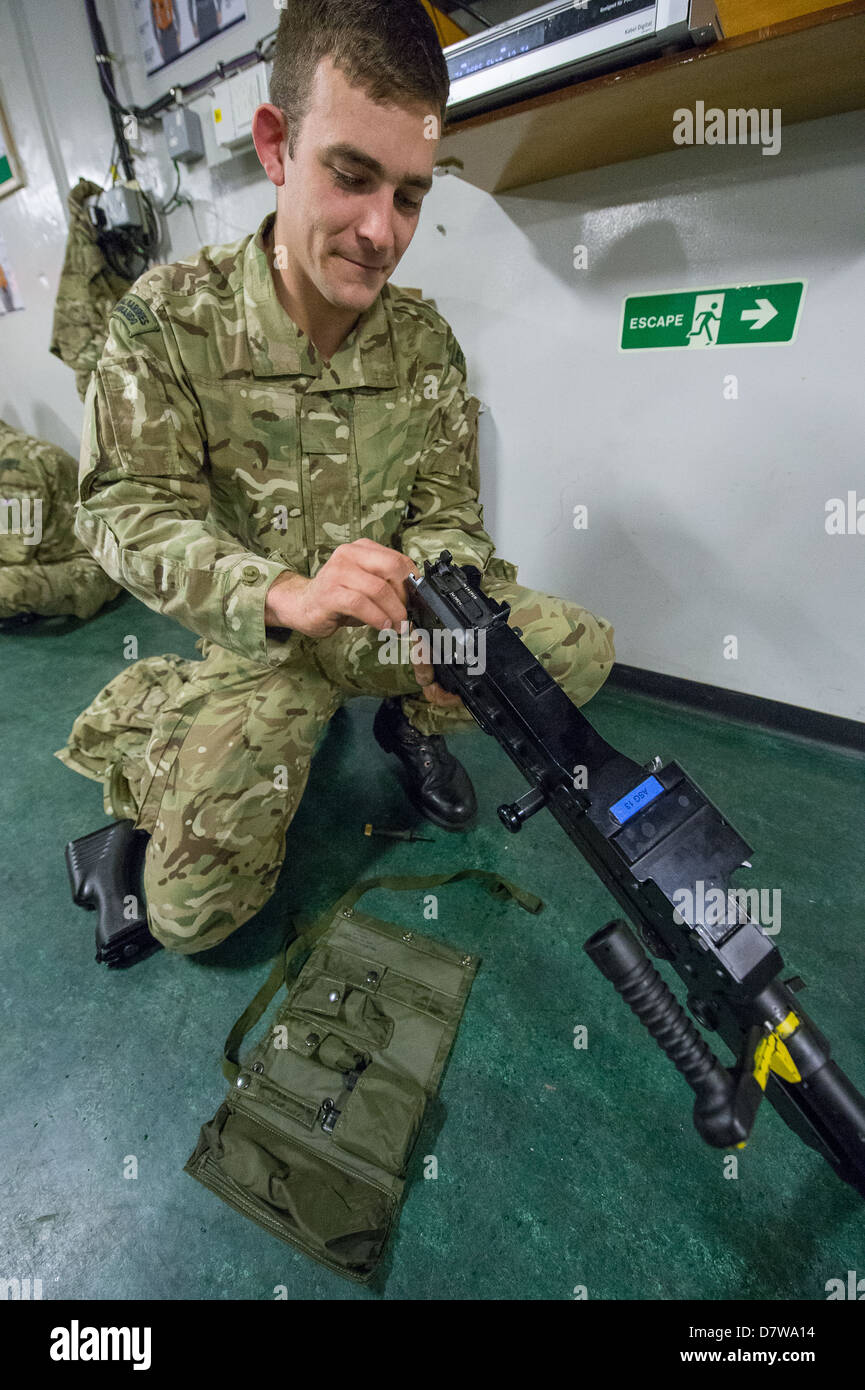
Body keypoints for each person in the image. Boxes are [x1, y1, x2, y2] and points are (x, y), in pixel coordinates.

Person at [57, 0, 615, 955]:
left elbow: (448, 517)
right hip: (255, 644)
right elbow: (121, 510)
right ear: (276, 146)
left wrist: (449, 615)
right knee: (195, 922)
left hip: (384, 630)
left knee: (572, 654)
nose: (379, 230)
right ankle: (160, 735)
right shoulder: (168, 322)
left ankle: (410, 729)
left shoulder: (425, 344)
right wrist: (277, 591)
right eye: (350, 177)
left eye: (409, 195)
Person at [0, 419, 120, 621]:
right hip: (44, 558)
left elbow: (14, 553)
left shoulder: (15, 465)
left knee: (5, 586)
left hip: (86, 569)